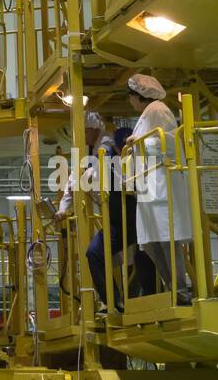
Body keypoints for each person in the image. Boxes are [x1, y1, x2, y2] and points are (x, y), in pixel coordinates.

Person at [57, 111, 155, 308]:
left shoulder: (107, 144)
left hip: (136, 212)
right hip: (116, 218)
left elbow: (96, 166)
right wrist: (62, 209)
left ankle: (151, 299)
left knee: (145, 254)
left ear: (94, 129)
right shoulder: (88, 150)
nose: (83, 136)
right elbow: (74, 180)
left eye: (85, 131)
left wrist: (88, 175)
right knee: (94, 253)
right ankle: (113, 301)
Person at [126, 74, 193, 305]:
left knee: (166, 240)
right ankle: (174, 290)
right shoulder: (149, 112)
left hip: (162, 185)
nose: (130, 102)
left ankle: (181, 292)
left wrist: (139, 142)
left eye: (130, 97)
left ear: (138, 95)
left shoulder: (159, 110)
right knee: (152, 243)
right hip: (150, 185)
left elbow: (170, 142)